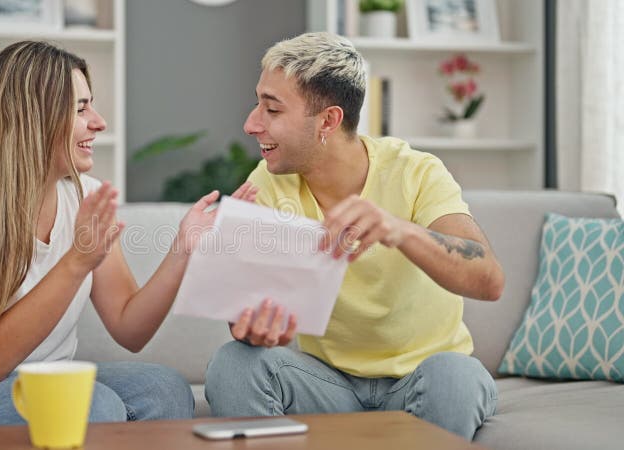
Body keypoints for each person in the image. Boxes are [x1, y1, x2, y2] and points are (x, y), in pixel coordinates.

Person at [0, 41, 257, 429]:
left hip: (40, 379)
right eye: (80, 108)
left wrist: (183, 249)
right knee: (86, 406)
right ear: (33, 118)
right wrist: (78, 260)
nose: (99, 122)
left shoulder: (84, 195)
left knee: (164, 389)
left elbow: (129, 328)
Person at [204, 32, 504, 440]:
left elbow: (488, 280)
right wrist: (252, 323)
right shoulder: (270, 183)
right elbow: (247, 311)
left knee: (456, 376)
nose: (251, 123)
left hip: (422, 380)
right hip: (328, 386)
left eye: (271, 109)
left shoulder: (416, 172)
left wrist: (398, 230)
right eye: (259, 103)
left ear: (328, 120)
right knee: (235, 364)